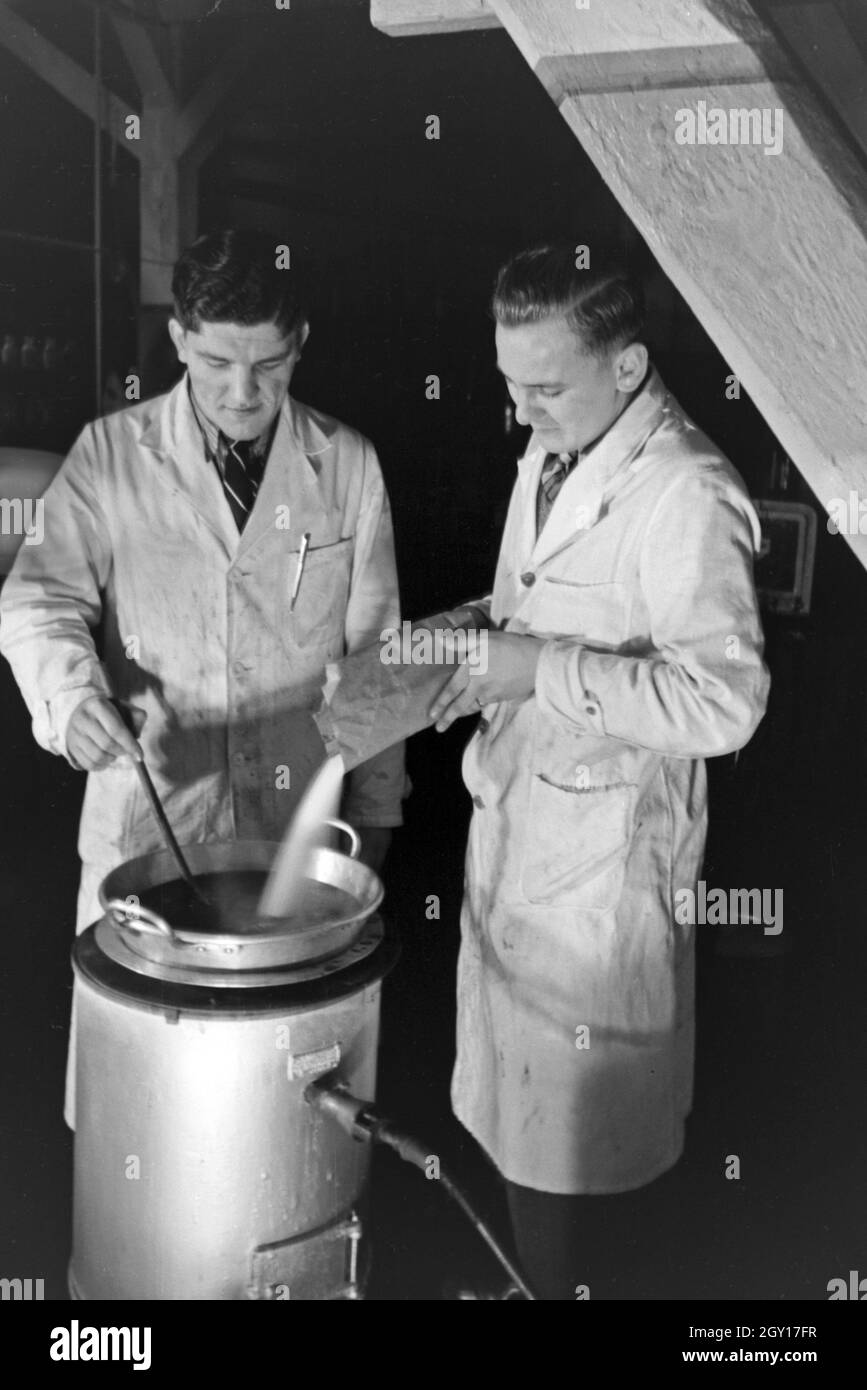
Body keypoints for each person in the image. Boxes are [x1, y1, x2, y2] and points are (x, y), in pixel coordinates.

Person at [0, 228, 404, 1123]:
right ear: (180, 338)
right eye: (217, 361)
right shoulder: (110, 455)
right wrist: (70, 698)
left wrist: (376, 814)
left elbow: (378, 655)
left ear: (300, 342)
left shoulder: (346, 463)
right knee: (138, 1114)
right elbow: (37, 598)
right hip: (151, 815)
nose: (242, 392)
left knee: (273, 1111)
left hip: (293, 828)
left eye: (268, 364)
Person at [429, 244, 770, 1299]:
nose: (520, 412)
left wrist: (537, 669)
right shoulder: (556, 450)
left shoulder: (688, 492)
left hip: (599, 879)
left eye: (544, 387)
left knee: (576, 1155)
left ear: (627, 366)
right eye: (508, 383)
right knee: (517, 1123)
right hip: (520, 825)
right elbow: (533, 605)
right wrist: (475, 649)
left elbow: (724, 701)